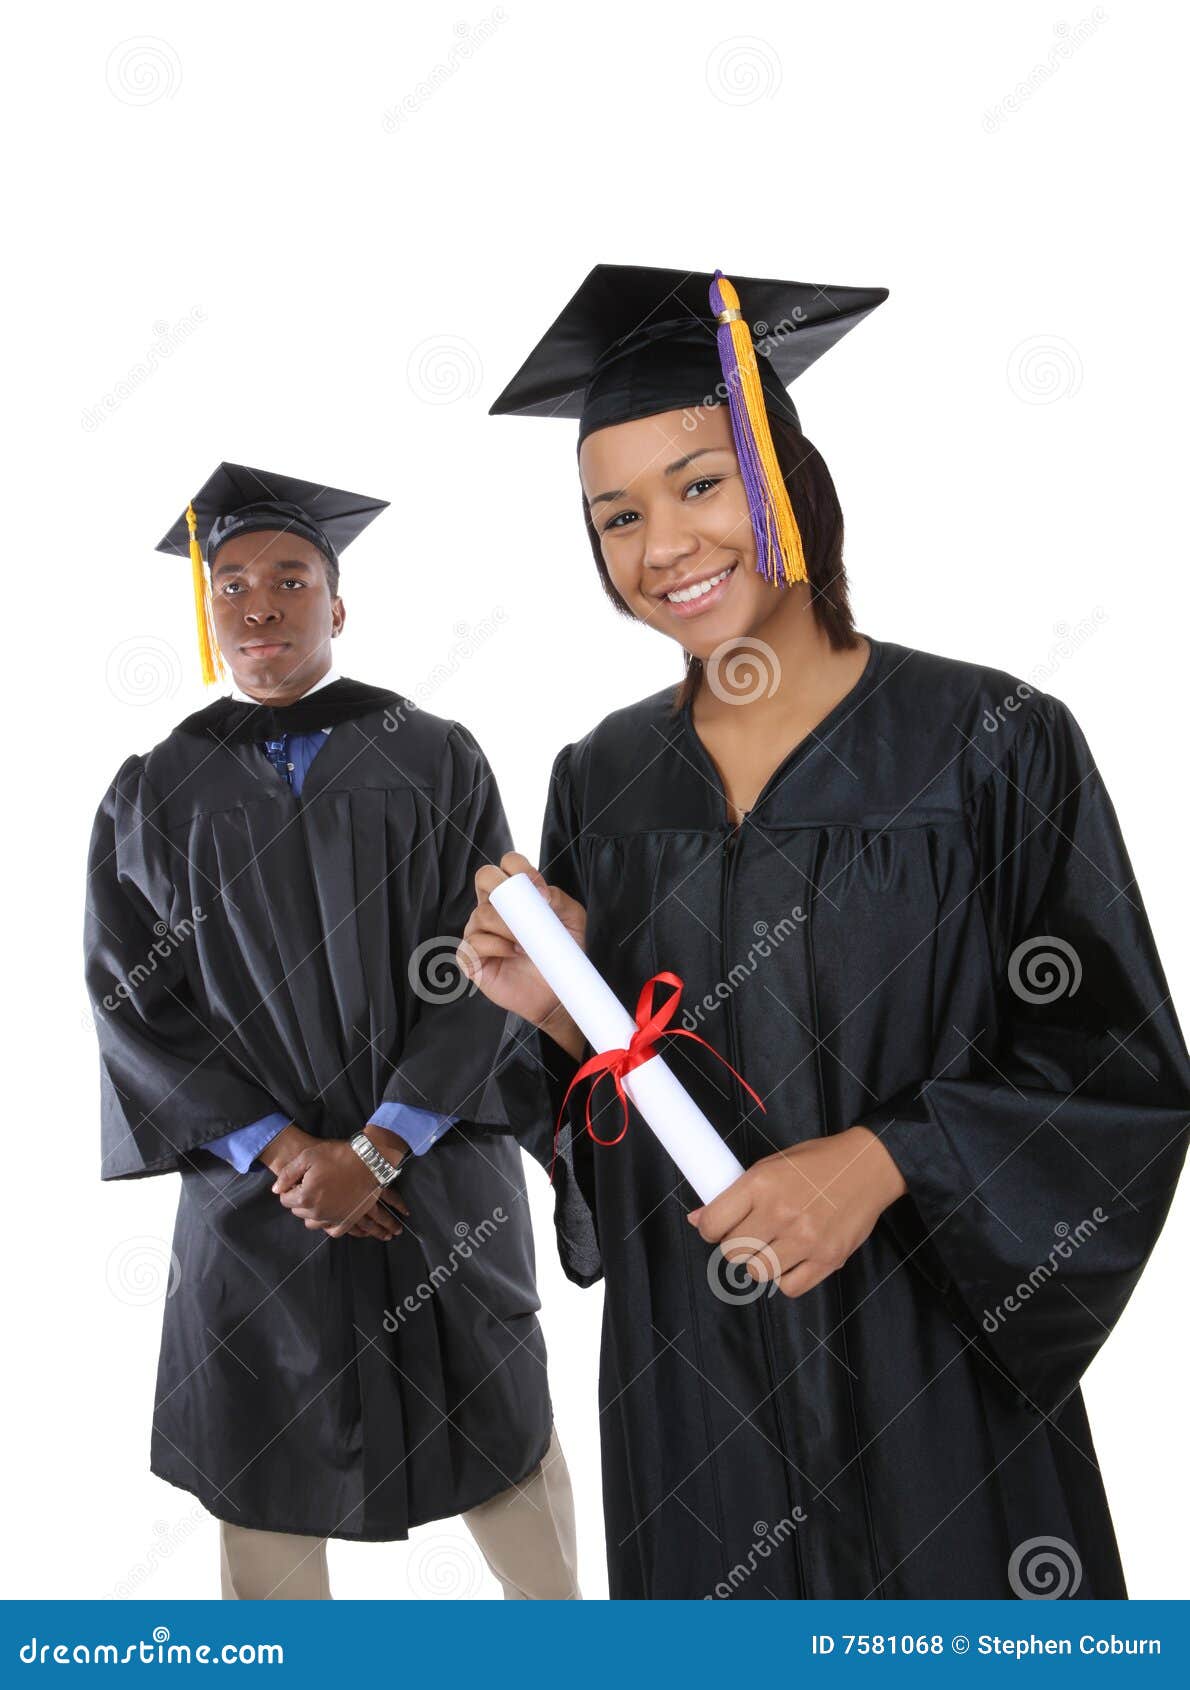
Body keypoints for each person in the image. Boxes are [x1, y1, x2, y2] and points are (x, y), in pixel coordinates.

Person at [461, 265, 1190, 1600]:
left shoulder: (992, 741)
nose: (660, 544)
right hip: (695, 1389)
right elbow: (609, 1119)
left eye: (696, 483)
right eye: (614, 514)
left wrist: (887, 1157)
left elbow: (1119, 1063)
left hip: (937, 1368)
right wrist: (559, 1014)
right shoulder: (603, 778)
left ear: (786, 475)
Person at [85, 462, 579, 1600]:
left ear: (337, 605)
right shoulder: (154, 789)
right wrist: (283, 1150)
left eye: (292, 579)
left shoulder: (432, 752)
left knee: (502, 1444)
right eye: (235, 584)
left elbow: (494, 958)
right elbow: (129, 999)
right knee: (263, 1475)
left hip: (436, 1174)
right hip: (257, 1198)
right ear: (209, 617)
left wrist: (379, 1144)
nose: (260, 602)